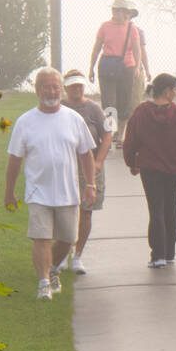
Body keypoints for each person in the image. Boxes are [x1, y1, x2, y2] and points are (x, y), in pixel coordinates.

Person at [4, 68, 96, 300]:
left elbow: (86, 154)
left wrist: (90, 184)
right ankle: (44, 282)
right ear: (38, 90)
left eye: (56, 87)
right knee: (41, 238)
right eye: (47, 86)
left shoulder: (74, 119)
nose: (52, 91)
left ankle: (52, 268)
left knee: (67, 240)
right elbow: (15, 159)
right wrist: (9, 192)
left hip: (68, 192)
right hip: (38, 192)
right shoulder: (25, 122)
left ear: (61, 89)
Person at [122, 72, 176, 268]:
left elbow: (131, 140)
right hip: (173, 168)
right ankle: (170, 252)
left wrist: (131, 162)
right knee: (170, 208)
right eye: (174, 89)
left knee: (155, 209)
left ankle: (157, 255)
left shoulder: (141, 112)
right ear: (167, 90)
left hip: (150, 167)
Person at [62, 69, 112, 275]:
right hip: (65, 166)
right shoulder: (60, 107)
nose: (77, 89)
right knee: (64, 211)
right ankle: (61, 253)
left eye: (80, 85)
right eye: (73, 86)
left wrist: (98, 161)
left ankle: (77, 255)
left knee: (86, 211)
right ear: (66, 87)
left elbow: (107, 135)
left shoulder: (93, 109)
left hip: (88, 167)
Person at [87, 0, 146, 145]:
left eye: (121, 11)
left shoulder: (132, 28)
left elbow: (137, 49)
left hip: (127, 67)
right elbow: (96, 47)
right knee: (109, 102)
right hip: (107, 66)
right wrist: (91, 68)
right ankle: (109, 133)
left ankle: (120, 134)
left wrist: (138, 66)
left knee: (124, 101)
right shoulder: (105, 27)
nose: (118, 14)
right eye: (115, 10)